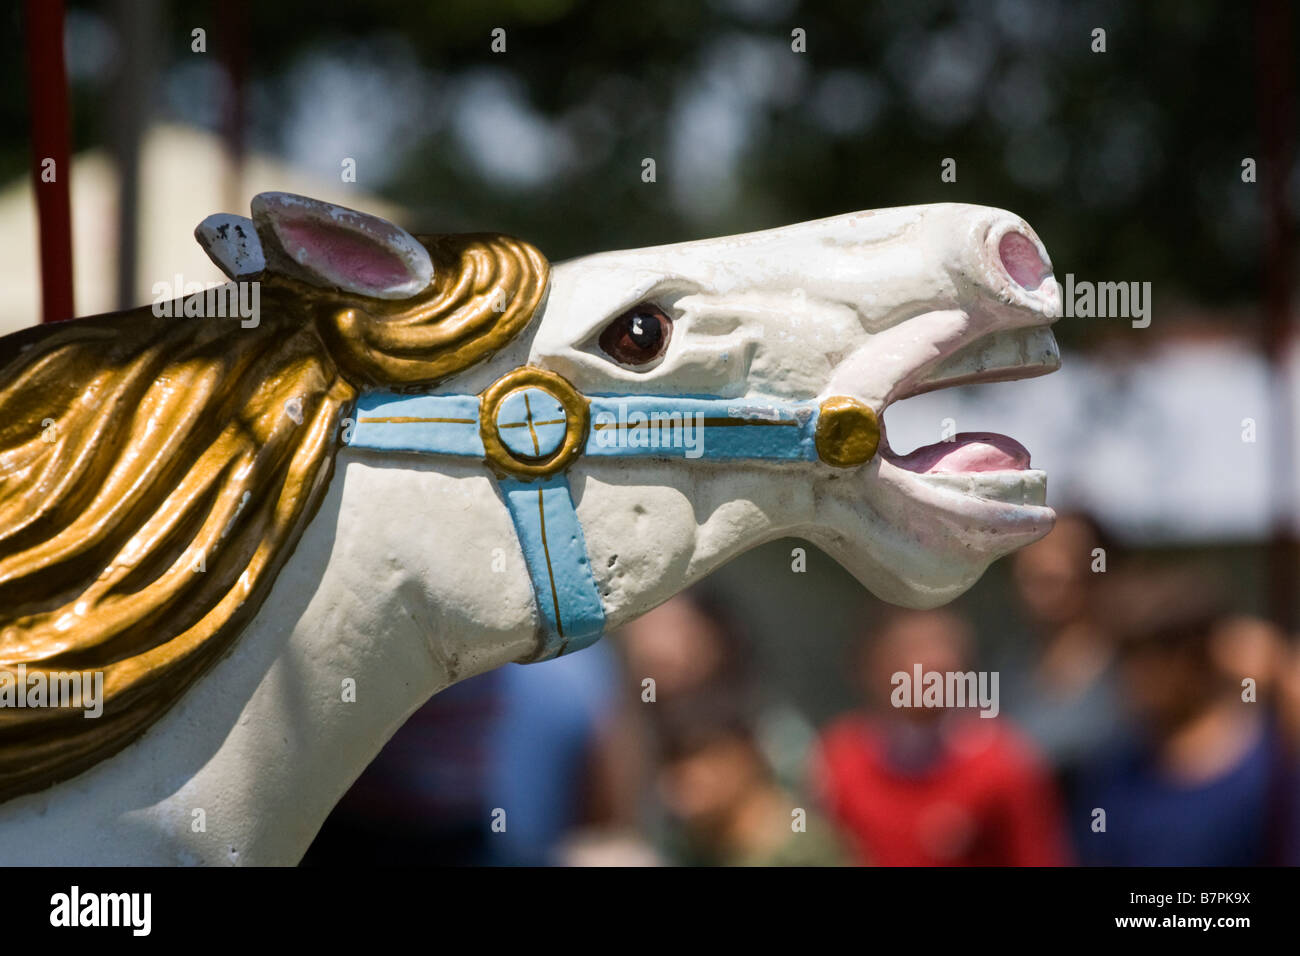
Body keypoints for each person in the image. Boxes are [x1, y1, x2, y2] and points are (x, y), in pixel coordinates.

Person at [1073, 568, 1298, 866]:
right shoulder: (1113, 778)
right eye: (1123, 658)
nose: (1130, 678)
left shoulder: (1273, 769)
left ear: (1193, 658)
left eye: (1146, 659)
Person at [815, 607, 1071, 866]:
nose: (937, 662)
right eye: (914, 648)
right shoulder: (839, 760)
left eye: (947, 647)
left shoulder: (1004, 763)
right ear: (872, 666)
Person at [999, 512, 1128, 802]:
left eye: (1064, 551)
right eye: (1032, 549)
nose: (1045, 566)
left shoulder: (1136, 661)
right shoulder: (1008, 670)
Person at [656, 692, 849, 866]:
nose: (689, 774)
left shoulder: (803, 851)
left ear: (747, 755)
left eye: (703, 754)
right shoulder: (684, 848)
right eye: (674, 761)